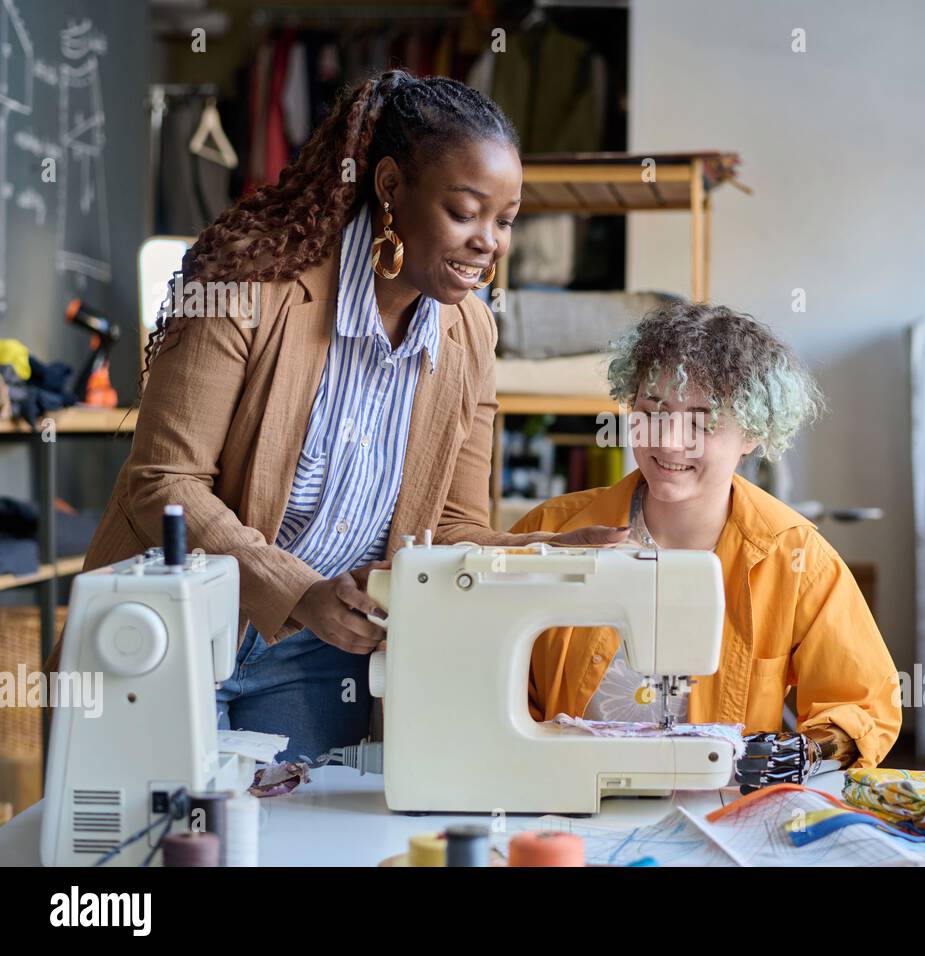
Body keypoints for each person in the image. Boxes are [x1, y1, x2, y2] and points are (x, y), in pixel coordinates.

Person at [73, 72, 625, 759]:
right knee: (152, 847)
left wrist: (543, 557)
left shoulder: (470, 337)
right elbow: (164, 484)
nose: (490, 242)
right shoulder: (246, 283)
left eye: (506, 221)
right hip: (172, 628)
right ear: (391, 187)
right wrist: (300, 592)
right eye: (466, 211)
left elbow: (449, 527)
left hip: (317, 660)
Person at [514, 302, 901, 789]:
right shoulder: (551, 533)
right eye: (652, 411)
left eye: (703, 423)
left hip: (715, 807)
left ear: (754, 434)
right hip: (565, 797)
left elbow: (864, 707)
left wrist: (805, 751)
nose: (670, 442)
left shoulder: (797, 559)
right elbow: (495, 684)